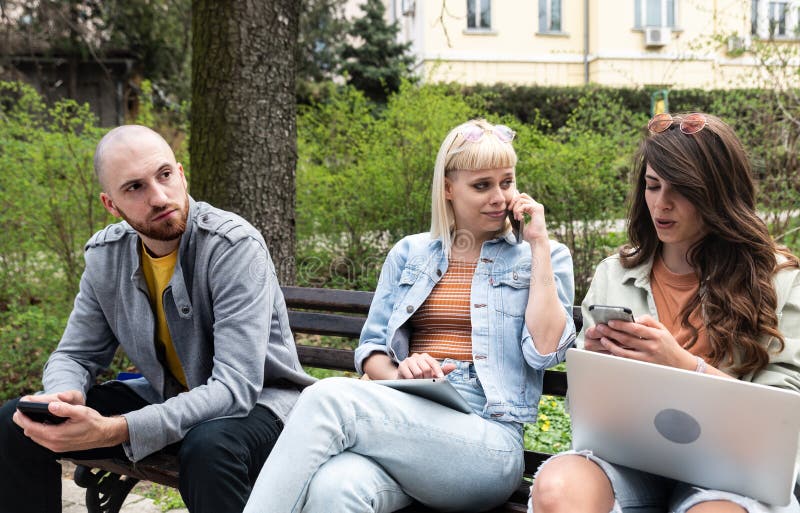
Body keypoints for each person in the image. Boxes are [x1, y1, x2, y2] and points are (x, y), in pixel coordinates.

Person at [241, 118, 576, 513]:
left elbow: (546, 349)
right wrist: (403, 374)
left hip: (487, 440)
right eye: (482, 185)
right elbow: (372, 351)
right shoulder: (410, 254)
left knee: (327, 396)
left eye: (507, 182)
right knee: (336, 488)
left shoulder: (546, 256)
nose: (499, 197)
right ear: (449, 188)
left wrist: (536, 244)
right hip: (406, 421)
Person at [0, 125, 315, 513]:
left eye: (164, 175)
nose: (159, 196)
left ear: (181, 174)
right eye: (134, 187)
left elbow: (235, 388)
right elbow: (75, 355)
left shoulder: (233, 246)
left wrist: (119, 428)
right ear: (110, 204)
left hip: (263, 408)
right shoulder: (106, 256)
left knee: (209, 448)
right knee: (16, 423)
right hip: (172, 399)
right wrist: (65, 398)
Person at [529, 113, 800, 513]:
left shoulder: (778, 279)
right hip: (633, 462)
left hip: (731, 471)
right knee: (558, 489)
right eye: (652, 186)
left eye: (681, 191)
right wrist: (596, 371)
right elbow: (585, 414)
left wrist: (685, 367)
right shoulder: (615, 274)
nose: (661, 203)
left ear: (718, 194)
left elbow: (785, 416)